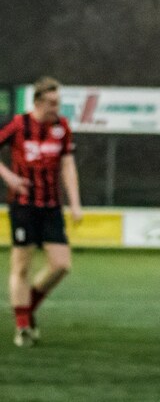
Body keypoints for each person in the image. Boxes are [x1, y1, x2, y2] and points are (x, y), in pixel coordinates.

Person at [0, 76, 82, 348]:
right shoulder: (18, 125)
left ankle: (27, 307)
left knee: (61, 265)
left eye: (59, 103)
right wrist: (9, 177)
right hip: (23, 205)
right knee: (21, 264)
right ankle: (22, 327)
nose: (56, 109)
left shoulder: (62, 127)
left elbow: (68, 165)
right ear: (37, 102)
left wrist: (76, 202)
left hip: (51, 206)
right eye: (52, 103)